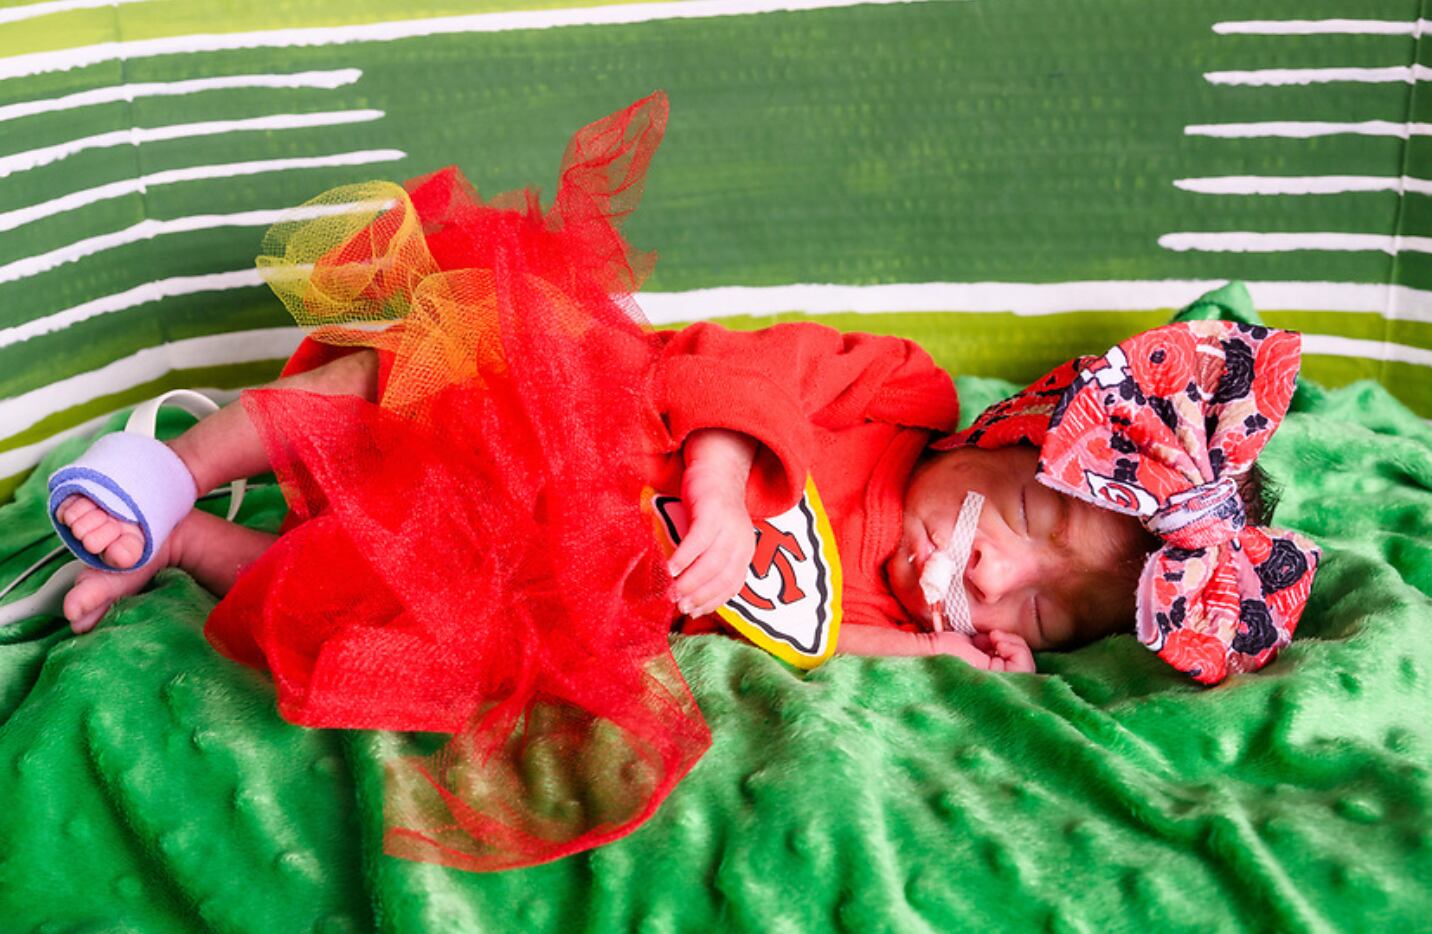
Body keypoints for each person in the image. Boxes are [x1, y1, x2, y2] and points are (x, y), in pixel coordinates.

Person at [42, 92, 1319, 871]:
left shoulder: (901, 608)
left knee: (427, 642)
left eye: (1045, 610)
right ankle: (181, 464)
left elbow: (813, 646)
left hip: (554, 562)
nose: (1002, 572)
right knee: (448, 359)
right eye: (1037, 522)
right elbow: (732, 374)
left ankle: (192, 555)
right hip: (587, 409)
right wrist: (720, 489)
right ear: (1023, 431)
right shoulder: (901, 397)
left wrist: (946, 659)